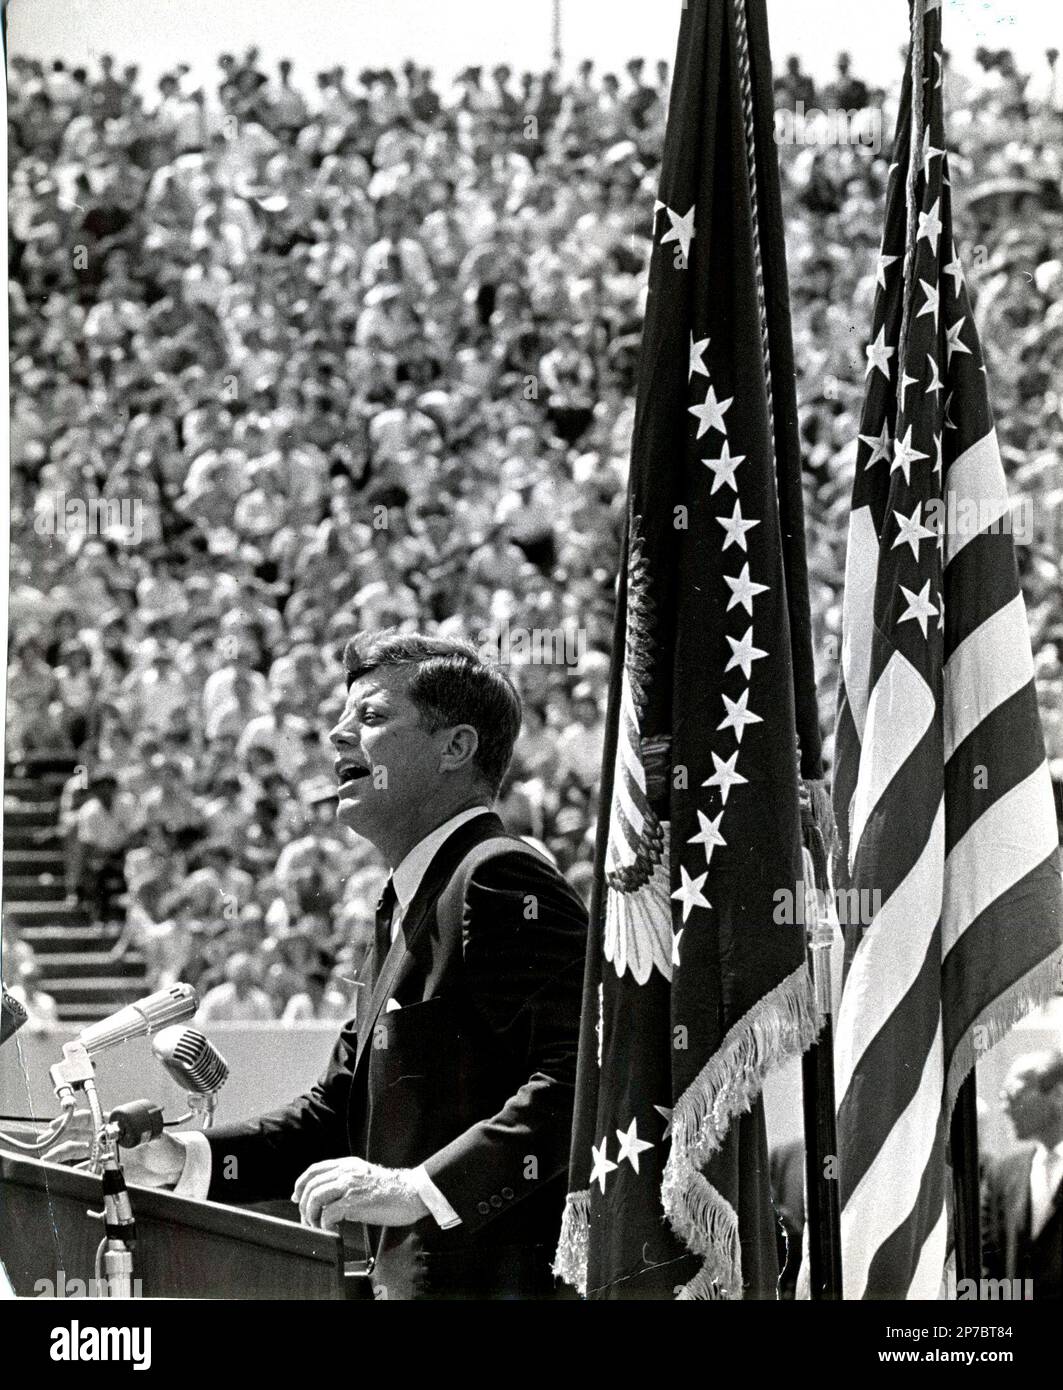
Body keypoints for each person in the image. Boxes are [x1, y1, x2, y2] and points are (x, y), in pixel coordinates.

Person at [72, 633, 588, 1300]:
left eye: (371, 718)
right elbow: (336, 1115)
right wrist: (187, 1159)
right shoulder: (403, 903)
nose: (338, 735)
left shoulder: (496, 877)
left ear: (455, 748)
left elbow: (583, 1077)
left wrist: (420, 1187)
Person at [982, 1048, 1063, 1299]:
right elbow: (988, 1273)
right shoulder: (1002, 1176)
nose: (1005, 1109)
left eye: (1013, 1096)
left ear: (1058, 1095)